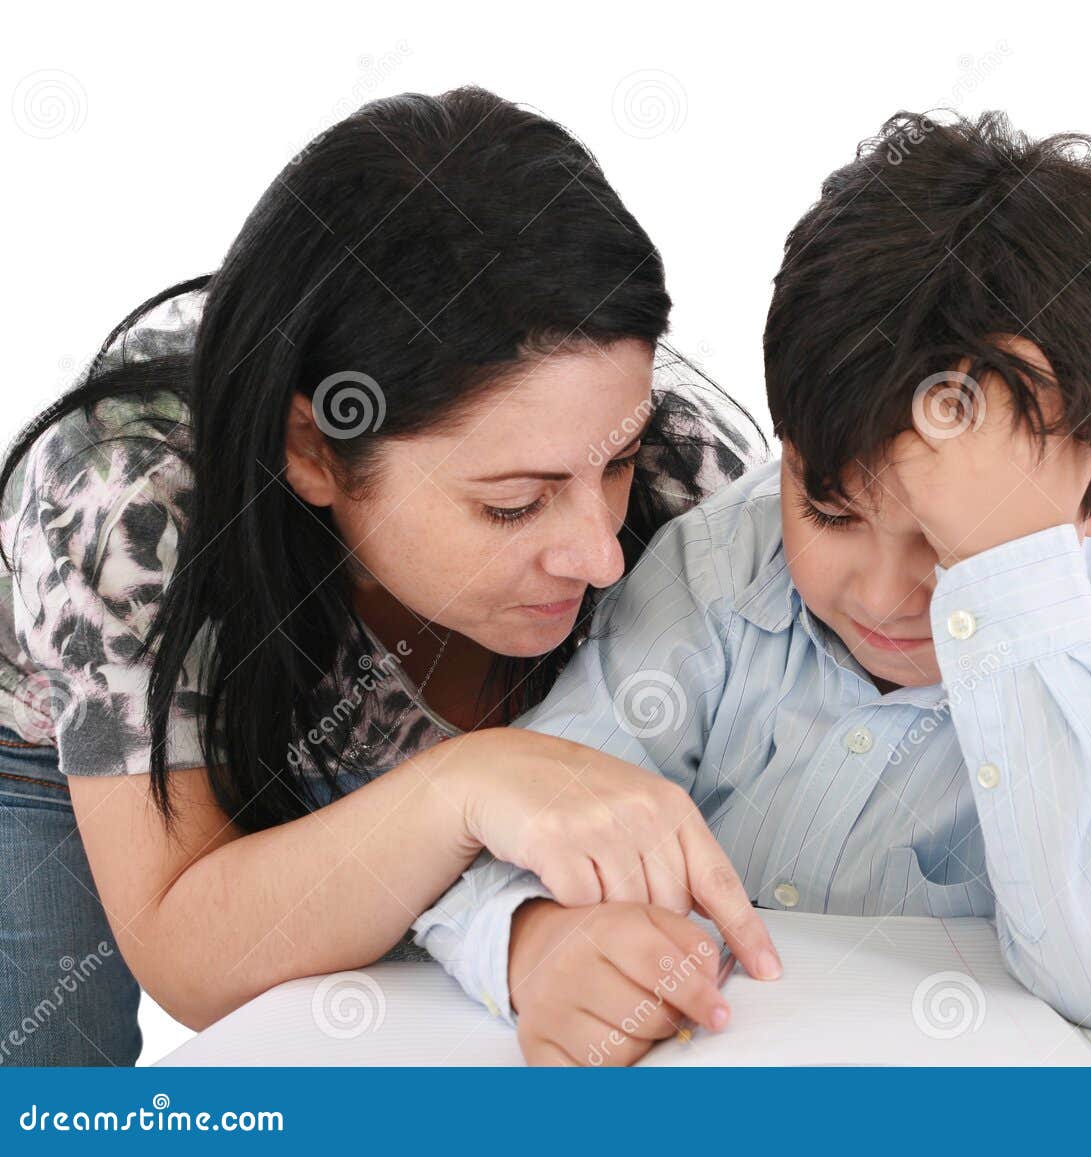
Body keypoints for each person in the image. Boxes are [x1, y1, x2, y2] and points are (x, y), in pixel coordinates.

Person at [415, 110, 1091, 1065]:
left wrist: (1015, 591)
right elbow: (522, 814)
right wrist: (538, 935)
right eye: (831, 513)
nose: (883, 593)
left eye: (953, 550)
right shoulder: (718, 572)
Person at [0, 86, 781, 1067]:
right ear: (316, 453)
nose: (603, 555)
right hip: (71, 738)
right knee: (42, 1091)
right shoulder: (124, 501)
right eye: (512, 503)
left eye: (615, 463)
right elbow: (190, 955)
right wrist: (461, 782)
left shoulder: (686, 471)